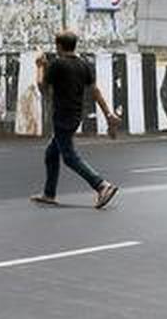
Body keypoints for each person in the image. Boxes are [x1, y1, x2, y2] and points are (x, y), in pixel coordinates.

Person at [29, 31, 121, 208]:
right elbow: (95, 92)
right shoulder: (83, 65)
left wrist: (40, 66)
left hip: (62, 116)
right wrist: (108, 113)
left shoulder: (57, 64)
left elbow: (42, 87)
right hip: (76, 115)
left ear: (59, 46)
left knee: (69, 157)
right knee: (51, 154)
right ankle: (49, 194)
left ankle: (102, 185)